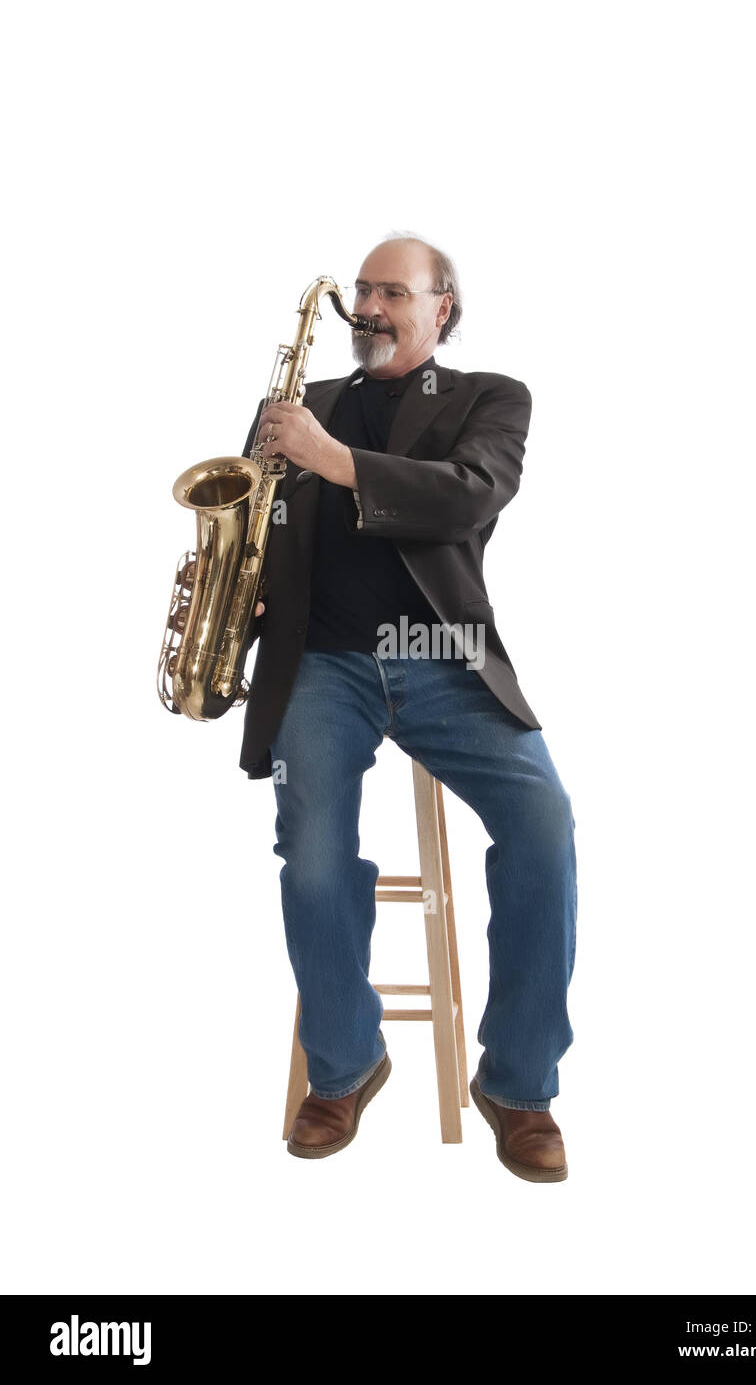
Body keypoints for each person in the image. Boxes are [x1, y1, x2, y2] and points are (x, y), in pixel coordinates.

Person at [241, 233, 577, 1183]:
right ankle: (345, 1063)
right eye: (363, 291)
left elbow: (469, 498)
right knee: (309, 850)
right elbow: (257, 516)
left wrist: (334, 460)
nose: (371, 308)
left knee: (544, 826)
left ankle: (518, 1087)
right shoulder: (299, 405)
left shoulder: (490, 398)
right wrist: (240, 586)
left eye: (394, 291)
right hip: (322, 663)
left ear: (443, 308)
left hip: (439, 655)